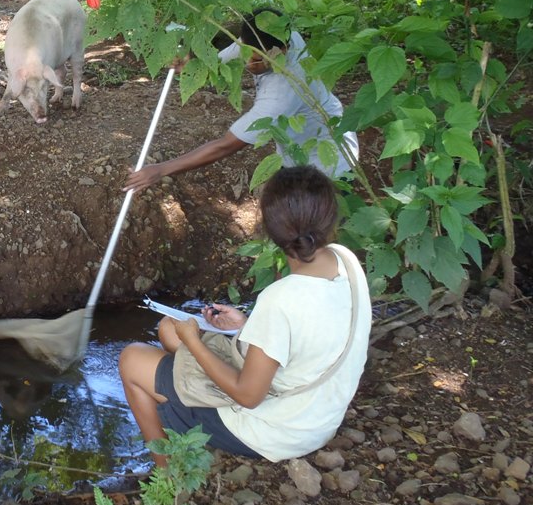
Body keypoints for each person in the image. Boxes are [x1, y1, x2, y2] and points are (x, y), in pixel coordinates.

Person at [119, 166, 371, 464]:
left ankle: (166, 477)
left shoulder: (280, 299)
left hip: (277, 430)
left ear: (269, 230)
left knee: (132, 359)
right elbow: (308, 328)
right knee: (168, 329)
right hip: (319, 413)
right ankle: (183, 417)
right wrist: (246, 326)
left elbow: (248, 396)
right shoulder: (345, 259)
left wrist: (194, 341)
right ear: (330, 217)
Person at [123, 8, 359, 192]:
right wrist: (194, 62)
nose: (247, 63)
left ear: (282, 51)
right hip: (301, 148)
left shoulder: (280, 95)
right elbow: (241, 47)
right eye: (248, 52)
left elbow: (226, 145)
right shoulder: (278, 33)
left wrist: (162, 169)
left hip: (330, 165)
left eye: (256, 58)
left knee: (314, 230)